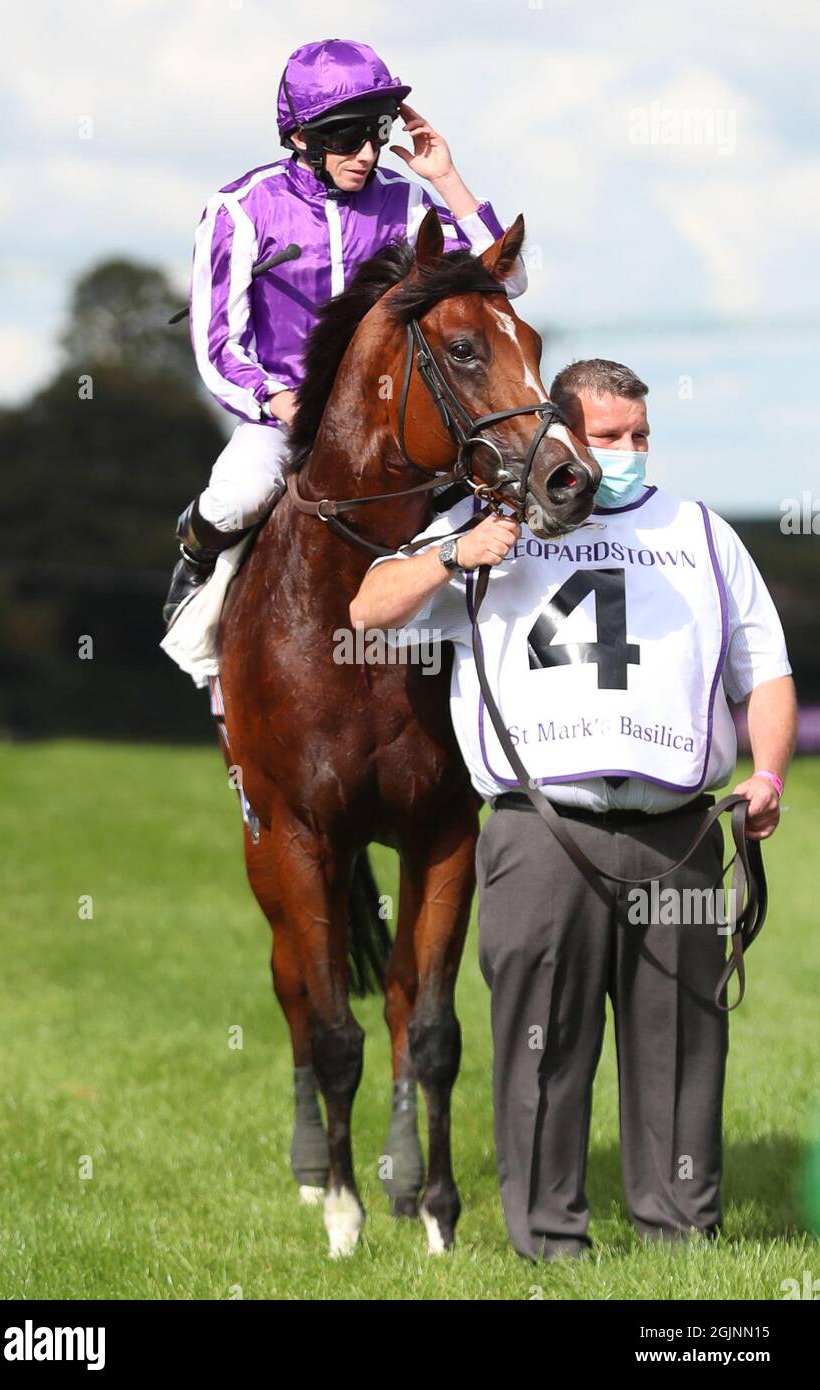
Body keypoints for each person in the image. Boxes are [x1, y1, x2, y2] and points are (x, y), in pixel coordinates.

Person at [349, 358, 797, 1261]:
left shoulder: (703, 533)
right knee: (542, 1045)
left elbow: (768, 671)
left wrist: (771, 775)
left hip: (681, 831)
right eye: (607, 437)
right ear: (560, 435)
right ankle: (551, 1244)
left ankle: (681, 1241)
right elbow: (366, 610)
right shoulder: (492, 524)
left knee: (683, 1045)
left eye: (640, 436)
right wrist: (452, 553)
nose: (627, 454)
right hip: (541, 828)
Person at [162, 37, 527, 627]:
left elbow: (504, 283)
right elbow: (218, 343)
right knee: (239, 497)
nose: (365, 153)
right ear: (301, 137)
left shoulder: (407, 203)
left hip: (387, 417)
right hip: (284, 412)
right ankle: (195, 564)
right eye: (344, 138)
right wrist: (277, 400)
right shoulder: (239, 209)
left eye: (376, 133)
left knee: (481, 490)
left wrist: (448, 177)